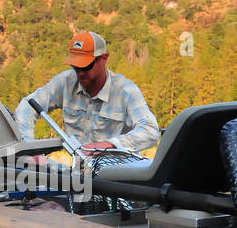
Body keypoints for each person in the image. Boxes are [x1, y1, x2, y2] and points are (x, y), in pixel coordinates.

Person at [16, 30, 161, 156]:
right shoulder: (65, 82)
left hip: (117, 179)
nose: (80, 72)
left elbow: (150, 131)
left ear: (104, 59)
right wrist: (29, 149)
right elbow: (27, 106)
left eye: (86, 66)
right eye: (75, 66)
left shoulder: (126, 91)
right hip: (78, 175)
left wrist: (107, 145)